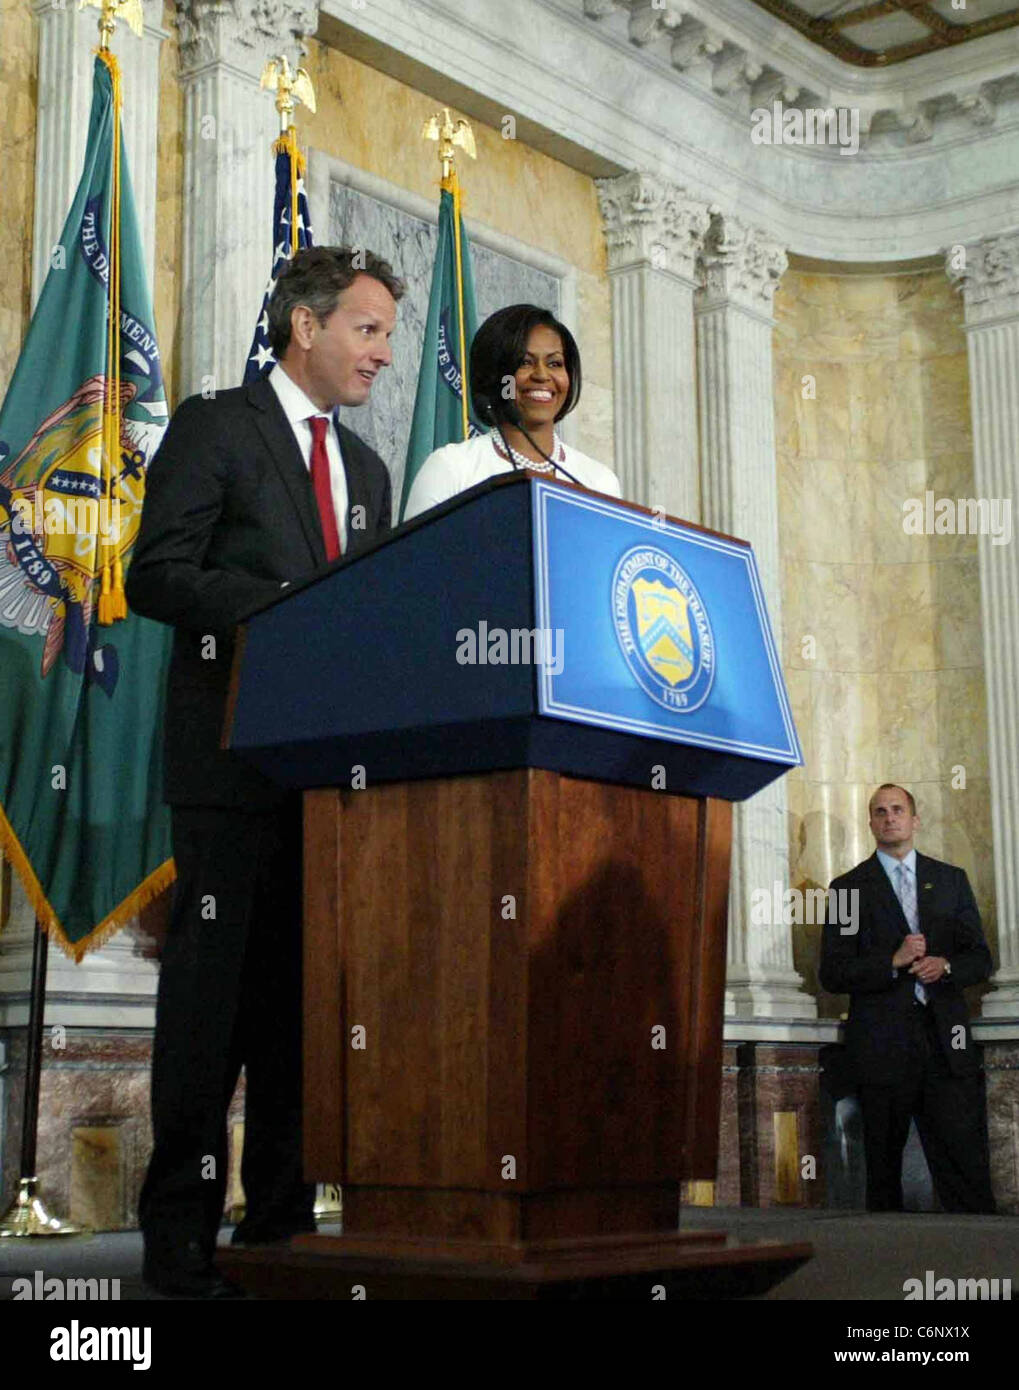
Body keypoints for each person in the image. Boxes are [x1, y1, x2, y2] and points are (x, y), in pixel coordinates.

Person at [126, 245, 403, 1297]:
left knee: (300, 1007)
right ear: (306, 326)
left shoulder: (371, 473)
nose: (381, 353)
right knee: (208, 1007)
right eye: (367, 329)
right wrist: (287, 605)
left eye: (385, 333)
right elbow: (157, 572)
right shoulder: (216, 427)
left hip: (332, 785)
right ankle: (180, 1230)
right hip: (228, 768)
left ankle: (278, 1220)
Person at [819, 783, 995, 1214]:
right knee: (883, 1170)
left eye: (898, 809)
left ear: (915, 820)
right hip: (882, 1050)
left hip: (945, 1047)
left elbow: (981, 959)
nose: (889, 817)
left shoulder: (951, 880)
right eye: (879, 811)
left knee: (963, 1163)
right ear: (871, 823)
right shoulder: (847, 888)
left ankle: (979, 1265)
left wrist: (946, 966)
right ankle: (889, 1270)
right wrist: (891, 961)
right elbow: (833, 972)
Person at [403, 303, 620, 518]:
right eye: (525, 362)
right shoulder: (451, 468)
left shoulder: (599, 482)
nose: (542, 375)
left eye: (555, 364)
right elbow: (414, 553)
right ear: (496, 378)